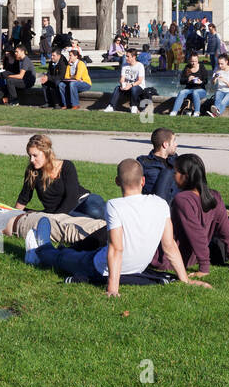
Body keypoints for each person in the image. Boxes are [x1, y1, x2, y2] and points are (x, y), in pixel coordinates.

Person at [24, 158, 212, 296]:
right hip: (137, 267)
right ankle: (45, 249)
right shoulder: (160, 203)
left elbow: (116, 248)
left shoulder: (114, 205)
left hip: (100, 267)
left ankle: (39, 251)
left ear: (116, 181)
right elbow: (169, 245)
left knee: (63, 257)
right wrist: (185, 280)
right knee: (82, 252)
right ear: (143, 181)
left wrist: (113, 288)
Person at [152, 154, 229, 275]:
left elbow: (197, 235)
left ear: (185, 176)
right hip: (190, 259)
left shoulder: (183, 200)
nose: (173, 177)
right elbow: (226, 232)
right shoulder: (215, 196)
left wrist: (204, 269)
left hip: (167, 259)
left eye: (175, 173)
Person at [15, 133, 106, 220]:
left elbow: (71, 197)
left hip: (82, 200)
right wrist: (13, 215)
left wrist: (56, 217)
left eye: (35, 155)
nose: (31, 160)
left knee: (95, 212)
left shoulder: (66, 166)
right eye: (30, 155)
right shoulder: (32, 172)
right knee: (86, 222)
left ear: (46, 153)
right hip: (61, 211)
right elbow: (24, 197)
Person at [136, 127, 179, 204]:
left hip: (176, 208)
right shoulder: (144, 163)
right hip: (154, 207)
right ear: (165, 144)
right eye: (174, 141)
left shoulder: (177, 161)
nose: (176, 144)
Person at [102, 48, 146, 113]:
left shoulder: (140, 66)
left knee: (134, 89)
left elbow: (140, 81)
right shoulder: (125, 65)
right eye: (126, 56)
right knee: (117, 88)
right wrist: (122, 84)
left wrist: (130, 85)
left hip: (138, 87)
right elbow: (122, 78)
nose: (126, 58)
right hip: (127, 87)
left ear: (134, 57)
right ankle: (111, 106)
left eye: (128, 56)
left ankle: (134, 106)